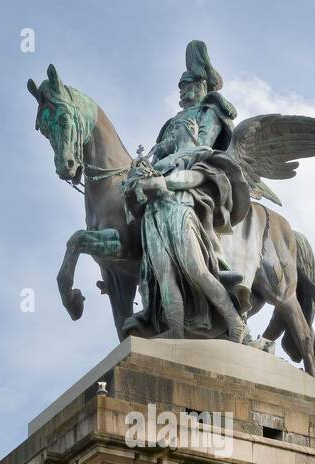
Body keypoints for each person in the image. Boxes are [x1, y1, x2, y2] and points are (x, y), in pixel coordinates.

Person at [120, 41, 255, 343]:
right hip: (155, 213)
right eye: (180, 86)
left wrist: (163, 181)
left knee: (197, 270)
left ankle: (234, 323)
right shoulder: (170, 128)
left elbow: (198, 159)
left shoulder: (208, 122)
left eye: (188, 84)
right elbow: (159, 160)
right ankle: (176, 329)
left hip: (180, 209)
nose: (182, 89)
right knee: (163, 277)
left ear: (201, 84)